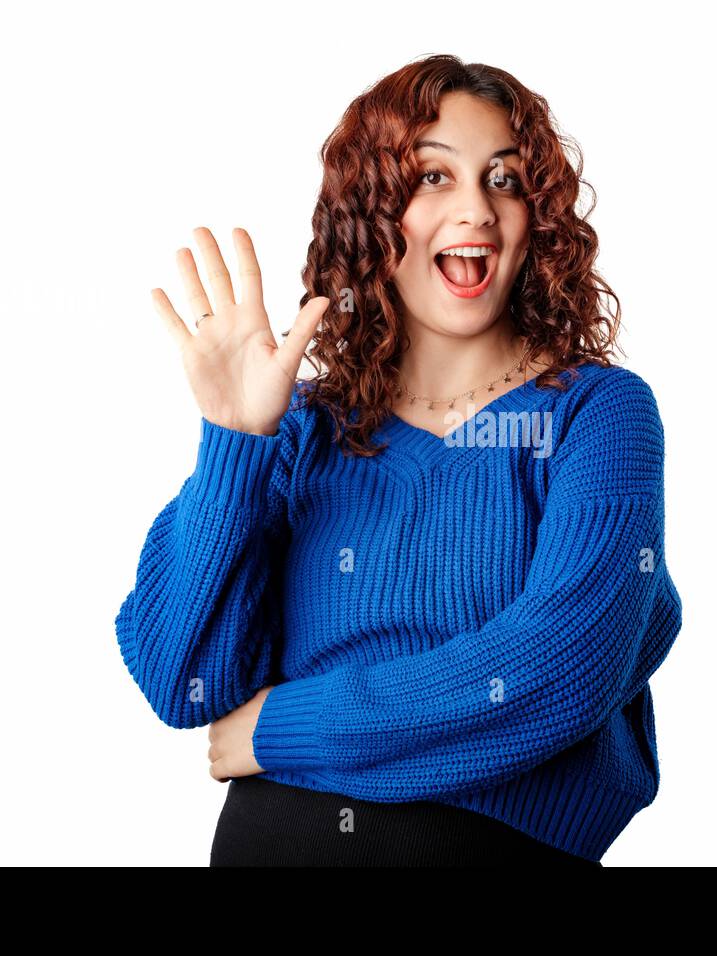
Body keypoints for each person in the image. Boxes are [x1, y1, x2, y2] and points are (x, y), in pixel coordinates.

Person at [115, 54, 682, 867]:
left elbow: (555, 673)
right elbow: (183, 682)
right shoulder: (304, 429)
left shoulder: (596, 415)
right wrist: (235, 443)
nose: (477, 210)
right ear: (376, 215)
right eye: (433, 179)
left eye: (505, 181)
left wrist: (284, 727)